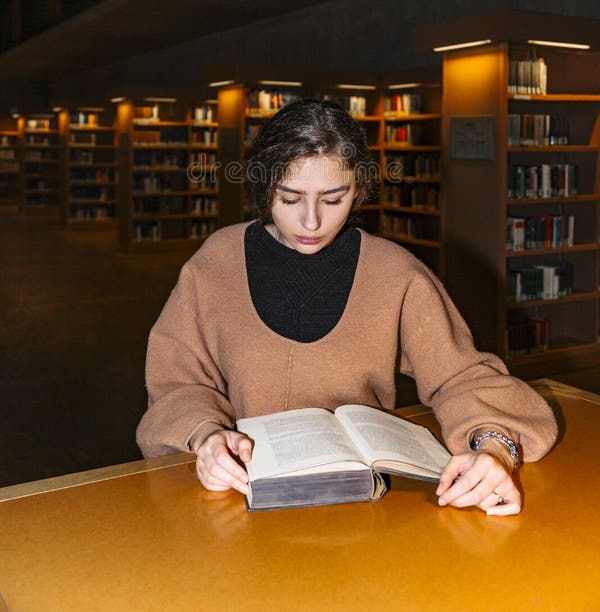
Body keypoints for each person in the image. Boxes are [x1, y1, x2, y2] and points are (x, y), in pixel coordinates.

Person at [137, 99, 557, 516]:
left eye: (334, 199)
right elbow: (177, 382)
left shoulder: (395, 272)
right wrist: (206, 434)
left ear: (359, 189)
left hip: (362, 503)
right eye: (289, 198)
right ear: (265, 188)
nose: (311, 221)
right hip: (236, 497)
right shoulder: (216, 263)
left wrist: (493, 447)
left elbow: (462, 377)